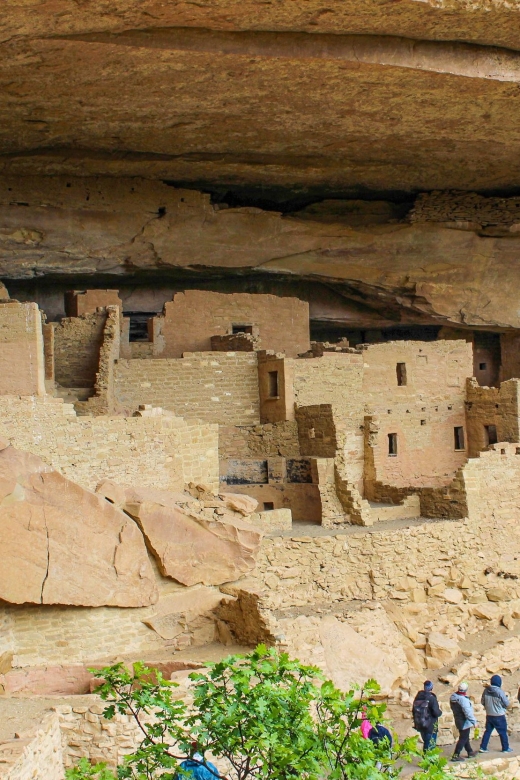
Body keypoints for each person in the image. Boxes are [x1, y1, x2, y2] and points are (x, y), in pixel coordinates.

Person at [479, 675, 513, 754]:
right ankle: (505, 748)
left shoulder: (486, 690)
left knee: (488, 731)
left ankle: (483, 747)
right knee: (503, 732)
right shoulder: (500, 692)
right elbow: (507, 704)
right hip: (499, 715)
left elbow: (482, 702)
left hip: (489, 715)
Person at [449, 682, 478, 762]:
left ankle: (470, 752)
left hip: (458, 719)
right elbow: (468, 712)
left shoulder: (453, 697)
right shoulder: (463, 700)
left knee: (465, 737)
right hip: (464, 721)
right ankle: (456, 755)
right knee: (463, 738)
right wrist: (474, 722)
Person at [412, 680, 443, 752]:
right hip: (430, 725)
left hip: (420, 724)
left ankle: (425, 757)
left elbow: (413, 710)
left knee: (426, 742)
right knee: (430, 746)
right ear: (431, 688)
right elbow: (436, 712)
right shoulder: (431, 698)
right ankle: (427, 758)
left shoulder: (418, 697)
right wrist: (440, 712)